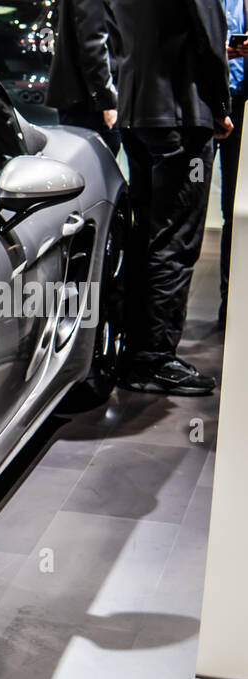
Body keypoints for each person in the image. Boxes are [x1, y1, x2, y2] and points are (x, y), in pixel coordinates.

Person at [112, 0, 234, 396]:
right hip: (181, 117)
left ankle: (133, 353)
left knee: (146, 234)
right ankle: (153, 360)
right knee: (175, 240)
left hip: (137, 113)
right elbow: (212, 45)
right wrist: (221, 107)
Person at [48, 0, 121, 153]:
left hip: (83, 95)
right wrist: (106, 100)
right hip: (89, 100)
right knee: (98, 163)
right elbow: (93, 42)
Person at [220, 0, 247, 324]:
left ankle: (231, 304)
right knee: (189, 205)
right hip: (199, 112)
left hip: (240, 110)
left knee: (234, 208)